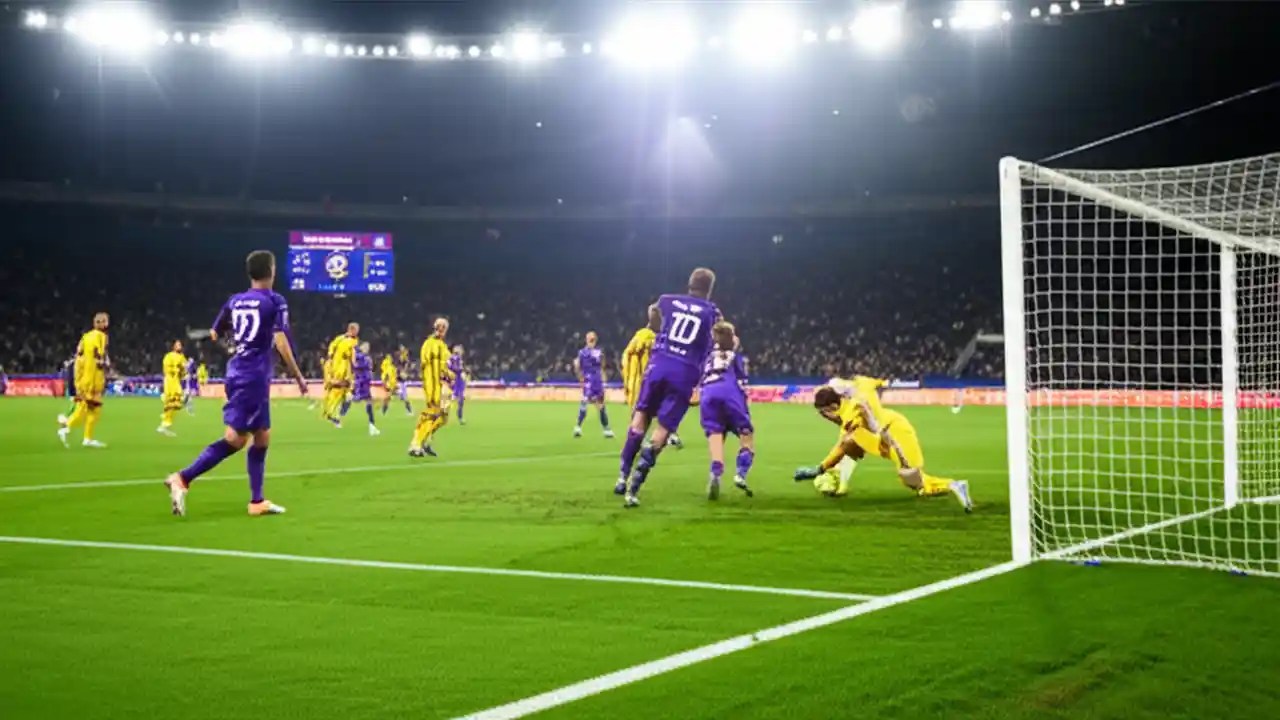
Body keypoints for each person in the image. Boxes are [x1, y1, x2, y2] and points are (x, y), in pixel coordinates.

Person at [163, 250, 308, 517]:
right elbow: (281, 341)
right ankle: (183, 478)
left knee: (260, 436)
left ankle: (256, 501)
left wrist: (234, 348)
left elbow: (215, 332)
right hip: (254, 375)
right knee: (238, 439)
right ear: (272, 270)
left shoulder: (235, 301)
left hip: (237, 371)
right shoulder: (275, 301)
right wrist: (298, 376)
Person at [617, 268, 720, 508]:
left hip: (659, 363)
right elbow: (722, 335)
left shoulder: (667, 300)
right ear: (710, 289)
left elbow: (653, 311)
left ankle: (621, 475)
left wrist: (659, 329)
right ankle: (635, 484)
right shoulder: (712, 311)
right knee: (663, 429)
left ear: (689, 283)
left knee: (640, 416)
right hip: (685, 373)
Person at [793, 377, 973, 512]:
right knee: (850, 442)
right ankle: (838, 481)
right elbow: (874, 383)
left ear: (833, 406)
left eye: (824, 412)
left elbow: (841, 446)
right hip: (884, 433)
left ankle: (954, 485)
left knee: (913, 480)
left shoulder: (851, 415)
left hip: (896, 435)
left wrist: (819, 468)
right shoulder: (859, 385)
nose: (824, 416)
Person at [699, 322, 754, 500]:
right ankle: (741, 473)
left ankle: (715, 472)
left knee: (716, 435)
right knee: (746, 436)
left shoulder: (707, 354)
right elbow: (742, 383)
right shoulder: (736, 357)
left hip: (708, 393)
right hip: (729, 392)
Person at [622, 306, 683, 449]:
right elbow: (628, 354)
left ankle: (670, 434)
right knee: (639, 411)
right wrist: (631, 375)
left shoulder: (659, 336)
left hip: (655, 378)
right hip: (642, 379)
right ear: (654, 319)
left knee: (663, 406)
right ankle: (635, 439)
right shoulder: (643, 335)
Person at [57, 312, 111, 448]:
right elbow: (99, 357)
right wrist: (106, 366)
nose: (106, 324)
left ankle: (87, 438)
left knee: (94, 409)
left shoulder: (86, 337)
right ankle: (66, 428)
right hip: (93, 378)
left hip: (85, 376)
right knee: (85, 407)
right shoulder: (102, 337)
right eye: (104, 321)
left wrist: (78, 377)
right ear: (99, 323)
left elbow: (79, 355)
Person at [408, 317, 454, 457]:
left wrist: (452, 375)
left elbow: (447, 366)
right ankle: (416, 444)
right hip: (433, 385)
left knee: (444, 417)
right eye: (439, 326)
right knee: (432, 414)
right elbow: (426, 366)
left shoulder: (443, 346)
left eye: (444, 327)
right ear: (435, 327)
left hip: (442, 386)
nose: (441, 329)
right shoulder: (429, 344)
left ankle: (426, 441)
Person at [573, 331, 613, 439]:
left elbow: (602, 366)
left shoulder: (599, 352)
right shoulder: (582, 353)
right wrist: (581, 379)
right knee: (584, 402)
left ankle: (606, 429)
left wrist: (603, 380)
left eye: (593, 338)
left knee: (600, 405)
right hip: (588, 380)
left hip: (597, 381)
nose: (591, 340)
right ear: (586, 339)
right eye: (589, 338)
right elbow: (578, 366)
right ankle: (578, 427)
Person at [340, 341, 380, 436]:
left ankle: (372, 426)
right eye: (365, 346)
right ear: (361, 347)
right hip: (361, 382)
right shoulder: (359, 356)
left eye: (368, 347)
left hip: (364, 382)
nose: (367, 348)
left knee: (366, 401)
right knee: (358, 399)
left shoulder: (363, 357)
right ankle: (339, 415)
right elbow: (355, 365)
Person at [324, 323, 359, 427]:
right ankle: (333, 415)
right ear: (352, 330)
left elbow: (330, 352)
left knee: (346, 394)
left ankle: (335, 414)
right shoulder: (348, 341)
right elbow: (351, 356)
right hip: (340, 369)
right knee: (338, 392)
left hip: (343, 369)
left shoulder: (339, 339)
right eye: (356, 330)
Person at [157, 340, 186, 436]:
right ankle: (164, 424)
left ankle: (165, 422)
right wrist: (175, 369)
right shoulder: (168, 356)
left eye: (180, 345)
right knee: (173, 402)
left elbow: (184, 370)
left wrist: (184, 371)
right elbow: (166, 369)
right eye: (177, 345)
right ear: (173, 346)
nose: (179, 346)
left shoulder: (182, 357)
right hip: (170, 381)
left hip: (176, 381)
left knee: (176, 404)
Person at [448, 344, 468, 425]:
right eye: (460, 350)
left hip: (459, 381)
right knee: (452, 399)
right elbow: (450, 367)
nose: (462, 351)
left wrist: (464, 372)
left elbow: (461, 368)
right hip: (454, 380)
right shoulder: (452, 358)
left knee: (460, 400)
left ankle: (460, 417)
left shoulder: (460, 359)